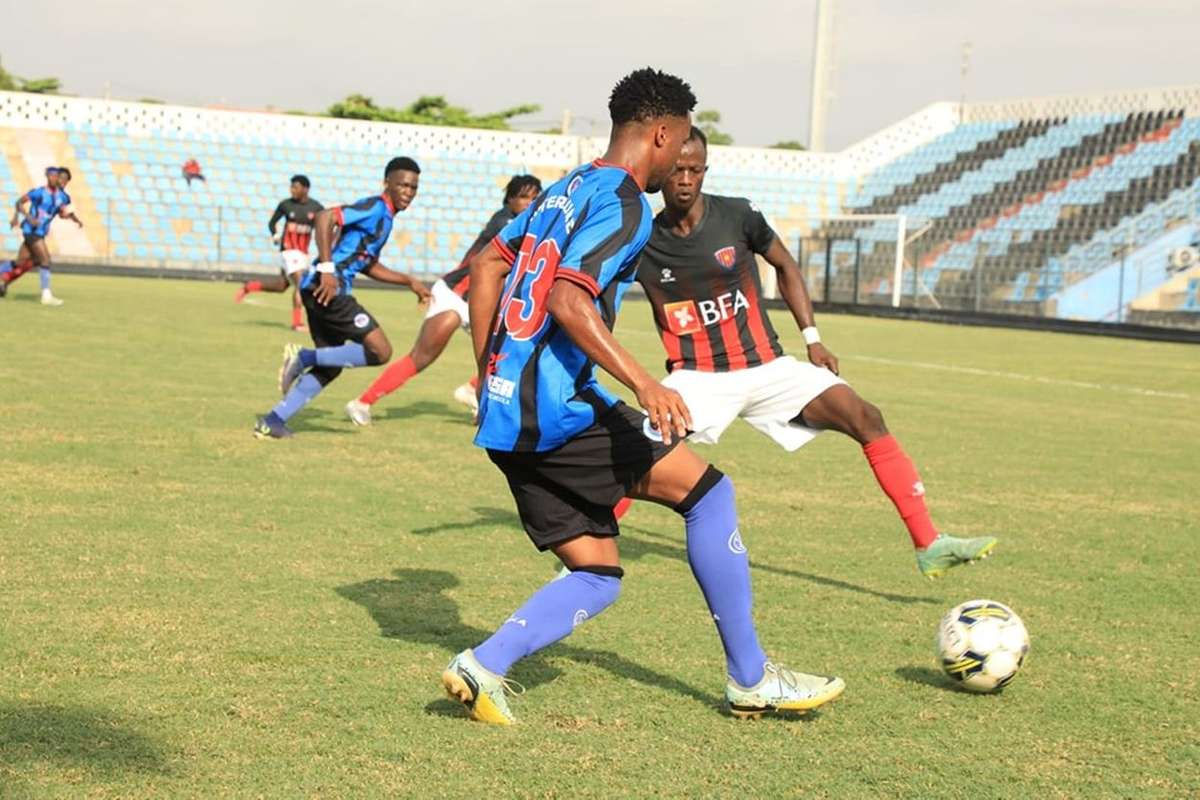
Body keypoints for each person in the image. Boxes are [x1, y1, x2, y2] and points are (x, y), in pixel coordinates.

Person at [440, 68, 844, 726]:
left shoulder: (567, 187)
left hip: (513, 412)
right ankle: (751, 679)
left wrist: (493, 368)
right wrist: (646, 382)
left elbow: (488, 264)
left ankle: (483, 666)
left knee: (597, 572)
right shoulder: (626, 202)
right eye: (680, 141)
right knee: (710, 495)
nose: (681, 157)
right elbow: (569, 298)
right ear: (661, 133)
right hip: (560, 412)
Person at [631, 126, 997, 579]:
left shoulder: (739, 215)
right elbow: (598, 294)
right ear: (663, 172)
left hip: (768, 366)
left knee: (866, 416)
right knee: (634, 449)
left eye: (695, 169)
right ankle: (587, 559)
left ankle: (929, 543)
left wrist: (812, 338)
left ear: (706, 170)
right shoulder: (640, 237)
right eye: (677, 170)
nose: (685, 179)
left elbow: (784, 264)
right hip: (698, 377)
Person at [253, 157, 431, 439]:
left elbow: (368, 264)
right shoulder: (375, 207)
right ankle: (302, 357)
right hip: (328, 289)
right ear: (387, 183)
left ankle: (273, 420)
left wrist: (409, 281)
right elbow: (325, 217)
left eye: (413, 187)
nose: (408, 191)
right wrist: (326, 268)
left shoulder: (385, 219)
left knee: (331, 365)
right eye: (403, 185)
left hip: (321, 289)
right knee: (380, 350)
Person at [345, 174, 543, 426]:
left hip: (482, 304)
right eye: (524, 197)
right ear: (510, 199)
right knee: (422, 357)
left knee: (515, 350)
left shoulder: (525, 225)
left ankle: (474, 392)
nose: (530, 203)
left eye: (535, 197)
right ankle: (362, 403)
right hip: (455, 297)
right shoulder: (505, 221)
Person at [235, 175, 323, 331]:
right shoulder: (286, 205)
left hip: (303, 253)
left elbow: (323, 225)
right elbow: (272, 222)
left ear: (305, 189)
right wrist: (275, 235)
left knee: (281, 286)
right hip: (288, 251)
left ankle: (250, 286)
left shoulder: (316, 208)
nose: (292, 190)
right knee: (302, 284)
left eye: (295, 187)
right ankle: (297, 323)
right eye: (291, 187)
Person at [1, 166, 82, 306]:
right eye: (59, 177)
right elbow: (19, 202)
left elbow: (62, 212)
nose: (60, 180)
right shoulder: (39, 192)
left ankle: (5, 277)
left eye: (64, 179)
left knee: (19, 262)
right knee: (45, 260)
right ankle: (46, 295)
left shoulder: (62, 197)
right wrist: (26, 216)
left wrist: (74, 219)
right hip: (31, 230)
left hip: (40, 232)